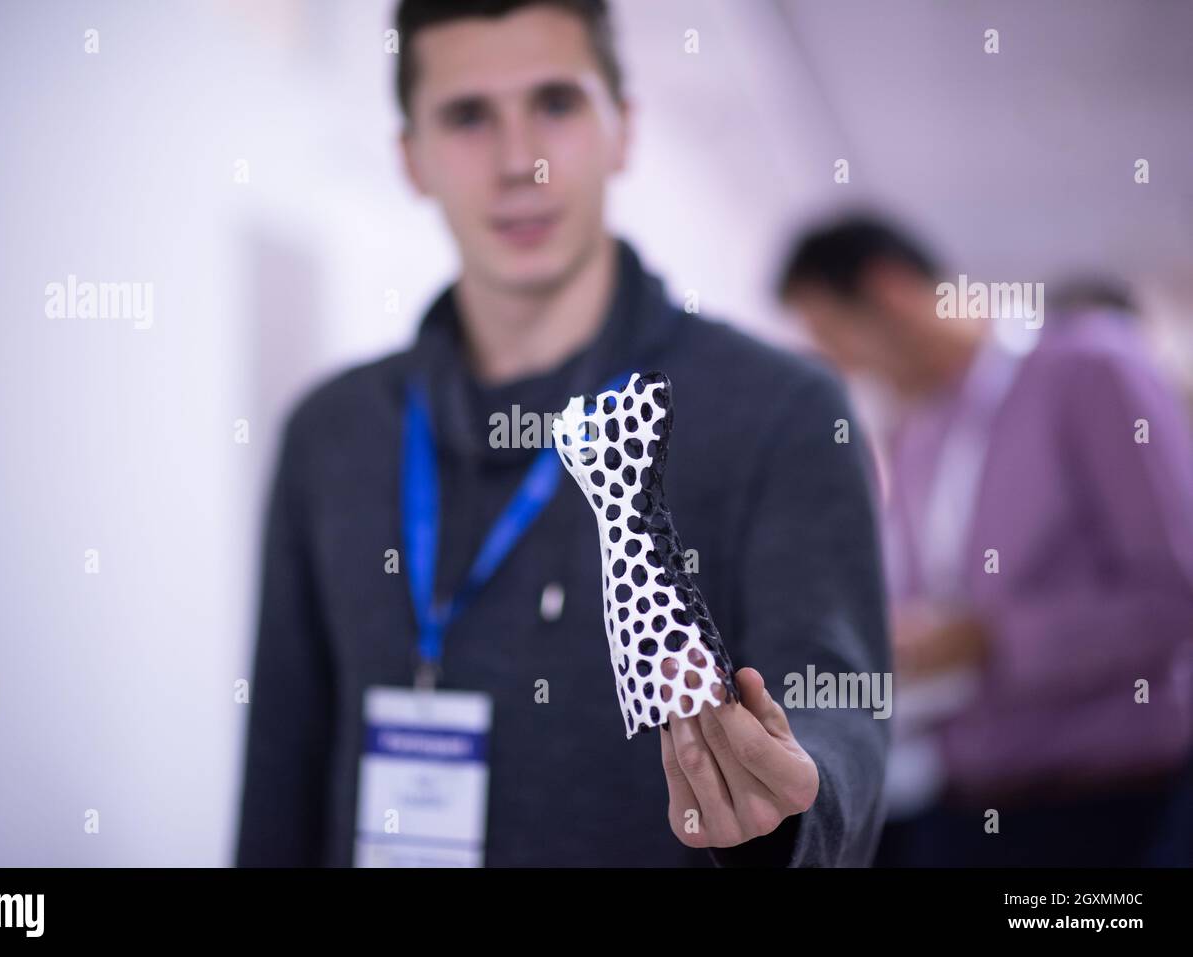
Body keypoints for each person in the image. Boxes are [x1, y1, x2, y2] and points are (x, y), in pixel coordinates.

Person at [235, 0, 889, 867]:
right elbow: (282, 770)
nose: (519, 161)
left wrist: (789, 802)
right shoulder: (333, 434)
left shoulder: (781, 409)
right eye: (468, 116)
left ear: (622, 130)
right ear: (411, 160)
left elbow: (836, 700)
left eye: (556, 104)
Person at [778, 214, 1193, 866]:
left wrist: (991, 639)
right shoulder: (917, 434)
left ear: (889, 292)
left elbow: (1174, 593)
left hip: (1112, 803)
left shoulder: (1088, 369)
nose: (846, 367)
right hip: (971, 799)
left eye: (837, 336)